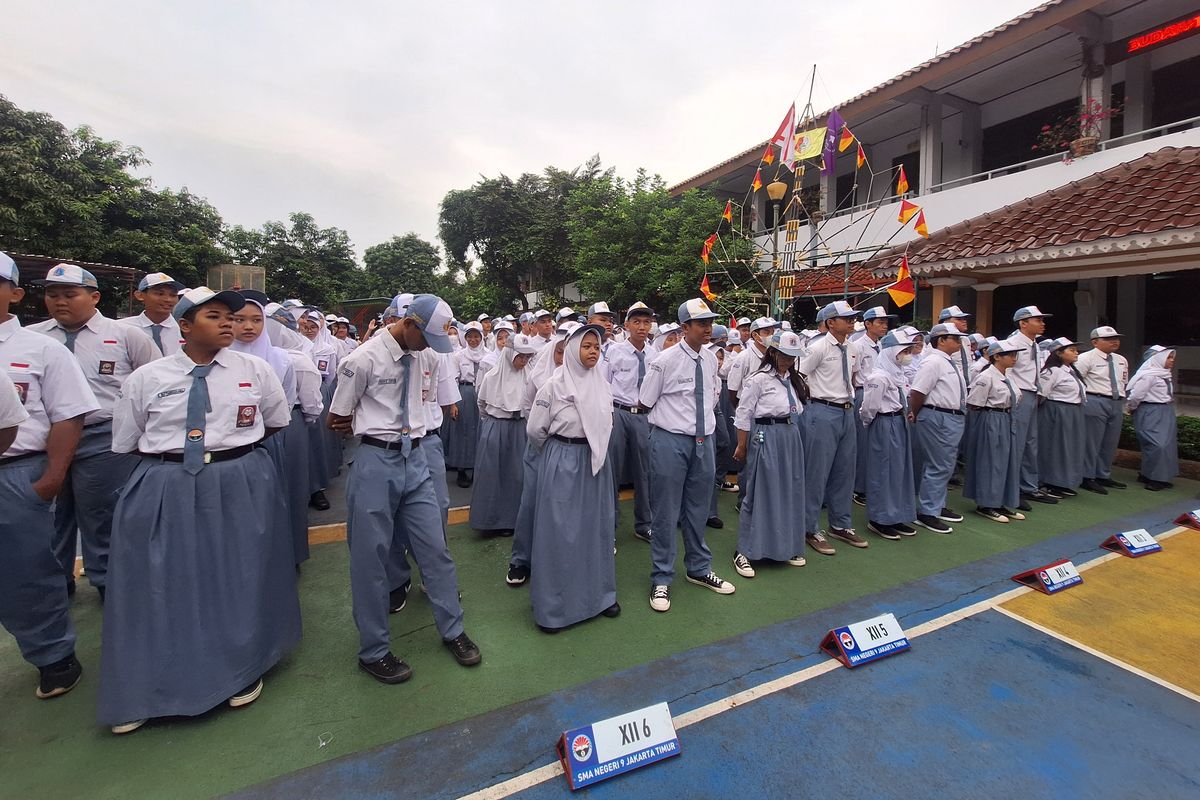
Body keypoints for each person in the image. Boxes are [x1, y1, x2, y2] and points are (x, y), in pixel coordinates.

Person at [100, 287, 300, 734]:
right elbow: (127, 441)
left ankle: (241, 667)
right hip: (166, 483)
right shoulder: (147, 378)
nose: (229, 323)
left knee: (238, 574)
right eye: (215, 316)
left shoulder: (256, 370)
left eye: (232, 316)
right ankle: (146, 687)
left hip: (238, 478)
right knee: (158, 581)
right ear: (184, 326)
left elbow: (276, 420)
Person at [329, 294, 481, 685]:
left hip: (416, 461)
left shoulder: (426, 355)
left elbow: (425, 401)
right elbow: (337, 418)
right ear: (408, 324)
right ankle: (374, 650)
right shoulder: (360, 360)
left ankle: (453, 630)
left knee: (436, 549)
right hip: (375, 462)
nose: (431, 347)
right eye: (427, 338)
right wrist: (376, 437)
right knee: (371, 558)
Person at [27, 265, 159, 599]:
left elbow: (155, 381)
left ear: (94, 296)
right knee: (50, 513)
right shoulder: (36, 339)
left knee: (103, 513)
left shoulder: (126, 336)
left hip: (102, 436)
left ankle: (107, 581)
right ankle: (58, 581)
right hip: (47, 439)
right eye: (52, 295)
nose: (59, 302)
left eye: (70, 295)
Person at [0, 253, 97, 700]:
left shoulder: (41, 350)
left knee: (25, 572)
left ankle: (52, 655)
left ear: (15, 294)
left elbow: (67, 415)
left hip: (16, 470)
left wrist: (51, 477)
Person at [640, 298, 735, 613]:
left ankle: (698, 567)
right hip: (670, 441)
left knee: (697, 508)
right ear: (685, 327)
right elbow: (646, 400)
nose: (708, 328)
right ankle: (662, 577)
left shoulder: (710, 359)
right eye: (701, 323)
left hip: (702, 441)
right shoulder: (664, 361)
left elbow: (711, 397)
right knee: (666, 512)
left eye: (710, 322)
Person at [526, 325, 619, 632]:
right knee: (560, 532)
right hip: (563, 458)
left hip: (595, 462)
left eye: (597, 346)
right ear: (572, 350)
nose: (593, 351)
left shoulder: (602, 385)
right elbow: (535, 430)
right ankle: (556, 608)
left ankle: (600, 597)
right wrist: (558, 454)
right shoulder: (553, 385)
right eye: (587, 346)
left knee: (596, 528)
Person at [231, 291, 311, 566]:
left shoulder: (280, 359)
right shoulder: (215, 358)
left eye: (256, 319)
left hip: (270, 437)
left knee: (281, 497)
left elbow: (285, 403)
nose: (249, 326)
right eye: (239, 319)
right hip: (229, 445)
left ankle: (286, 556)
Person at [730, 331, 808, 577]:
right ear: (773, 352)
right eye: (785, 355)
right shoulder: (758, 379)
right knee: (759, 492)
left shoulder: (793, 380)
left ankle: (784, 547)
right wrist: (742, 445)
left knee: (788, 490)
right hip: (766, 434)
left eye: (793, 356)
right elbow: (743, 414)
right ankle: (745, 550)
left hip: (789, 436)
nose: (789, 361)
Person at [506, 324, 575, 586]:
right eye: (560, 352)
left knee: (565, 507)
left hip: (570, 453)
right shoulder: (538, 379)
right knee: (532, 502)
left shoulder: (584, 379)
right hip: (540, 448)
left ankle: (558, 560)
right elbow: (528, 412)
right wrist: (545, 442)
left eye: (569, 351)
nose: (564, 357)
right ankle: (521, 559)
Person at [797, 300, 865, 554]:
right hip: (822, 411)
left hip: (846, 411)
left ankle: (841, 523)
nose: (851, 321)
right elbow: (799, 376)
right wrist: (809, 407)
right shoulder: (817, 348)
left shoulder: (852, 347)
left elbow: (853, 376)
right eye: (845, 318)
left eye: (852, 317)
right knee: (816, 472)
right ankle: (809, 527)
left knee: (845, 470)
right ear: (830, 322)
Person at [470, 333, 539, 536]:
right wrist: (494, 422)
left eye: (527, 357)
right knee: (492, 473)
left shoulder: (529, 376)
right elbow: (481, 404)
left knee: (518, 474)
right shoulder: (492, 376)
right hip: (496, 426)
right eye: (520, 356)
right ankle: (489, 521)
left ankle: (514, 519)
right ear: (510, 354)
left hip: (520, 427)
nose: (524, 361)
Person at [908, 323, 969, 533]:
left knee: (943, 463)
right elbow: (918, 391)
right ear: (941, 340)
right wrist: (914, 413)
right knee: (939, 464)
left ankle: (936, 505)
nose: (960, 342)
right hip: (938, 415)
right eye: (955, 338)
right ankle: (928, 512)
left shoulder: (947, 362)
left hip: (950, 416)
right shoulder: (933, 362)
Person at [859, 330, 919, 540]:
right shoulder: (879, 376)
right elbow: (869, 407)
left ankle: (895, 515)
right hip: (884, 423)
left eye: (909, 350)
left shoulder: (897, 373)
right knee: (883, 471)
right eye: (904, 350)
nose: (908, 354)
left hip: (898, 420)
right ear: (892, 352)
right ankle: (879, 519)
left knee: (898, 470)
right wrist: (869, 423)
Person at [604, 302, 655, 544]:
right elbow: (603, 385)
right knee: (612, 471)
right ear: (626, 326)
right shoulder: (613, 352)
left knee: (645, 471)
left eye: (646, 322)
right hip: (619, 413)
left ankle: (643, 523)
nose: (642, 327)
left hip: (644, 415)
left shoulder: (654, 354)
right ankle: (608, 528)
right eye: (637, 322)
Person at [963, 341, 1027, 523]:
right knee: (991, 461)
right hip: (991, 418)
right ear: (996, 356)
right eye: (1010, 354)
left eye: (1015, 354)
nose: (1014, 358)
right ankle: (986, 503)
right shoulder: (986, 377)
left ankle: (1000, 501)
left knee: (1005, 462)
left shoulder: (1008, 376)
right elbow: (975, 403)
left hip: (1007, 418)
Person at [1004, 306, 1058, 508]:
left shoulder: (1034, 344)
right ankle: (1012, 489)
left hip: (1032, 393)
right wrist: (1013, 394)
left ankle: (1028, 486)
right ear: (1023, 323)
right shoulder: (1013, 343)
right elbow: (1006, 370)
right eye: (1038, 320)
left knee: (1030, 443)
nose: (1042, 323)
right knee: (1017, 443)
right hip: (1020, 394)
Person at [1076, 326, 1130, 494]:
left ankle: (1103, 474)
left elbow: (1123, 382)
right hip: (1095, 399)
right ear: (1095, 342)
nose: (1115, 341)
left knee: (1110, 441)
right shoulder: (1085, 358)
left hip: (1115, 401)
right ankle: (1087, 476)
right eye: (1109, 339)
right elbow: (1077, 380)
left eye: (1116, 338)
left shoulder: (1121, 359)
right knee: (1092, 441)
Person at [851, 306, 895, 507]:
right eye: (880, 322)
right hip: (864, 393)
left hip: (884, 395)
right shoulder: (858, 346)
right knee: (863, 442)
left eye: (886, 322)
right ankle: (859, 487)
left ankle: (871, 483)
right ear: (867, 324)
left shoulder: (884, 346)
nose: (884, 326)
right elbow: (852, 375)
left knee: (876, 442)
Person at [1035, 337, 1087, 499]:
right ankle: (1049, 483)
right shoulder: (1052, 371)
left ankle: (1063, 481)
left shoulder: (1071, 370)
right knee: (1056, 447)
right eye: (1071, 350)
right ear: (1058, 353)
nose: (1076, 353)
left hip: (1073, 411)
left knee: (1069, 447)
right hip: (1057, 411)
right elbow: (1041, 394)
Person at [1127, 346, 1177, 491]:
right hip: (1150, 410)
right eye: (1168, 357)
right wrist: (1131, 407)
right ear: (1158, 359)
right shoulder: (1149, 375)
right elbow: (1136, 395)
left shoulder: (1164, 374)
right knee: (1156, 444)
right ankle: (1155, 478)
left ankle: (1156, 475)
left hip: (1165, 410)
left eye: (1172, 357)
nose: (1172, 360)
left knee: (1166, 445)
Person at [445, 321, 486, 487]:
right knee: (462, 432)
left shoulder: (488, 355)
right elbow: (453, 378)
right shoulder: (459, 356)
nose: (473, 340)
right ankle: (461, 470)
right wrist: (453, 403)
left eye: (476, 336)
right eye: (469, 336)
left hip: (482, 394)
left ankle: (478, 468)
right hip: (465, 392)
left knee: (480, 432)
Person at [121, 271, 186, 355]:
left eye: (173, 295)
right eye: (160, 294)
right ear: (139, 295)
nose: (167, 299)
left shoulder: (186, 330)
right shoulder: (122, 328)